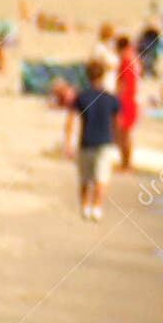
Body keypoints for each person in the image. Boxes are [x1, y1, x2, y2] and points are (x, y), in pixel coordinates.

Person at [66, 58, 122, 221]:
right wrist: (117, 143)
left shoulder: (82, 97)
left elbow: (71, 120)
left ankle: (85, 206)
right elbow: (117, 123)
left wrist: (69, 143)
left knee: (85, 178)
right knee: (101, 178)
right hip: (105, 142)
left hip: (86, 141)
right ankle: (97, 207)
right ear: (103, 76)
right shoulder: (111, 99)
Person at [115, 34, 141, 171]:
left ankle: (126, 164)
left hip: (126, 100)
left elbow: (122, 84)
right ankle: (126, 163)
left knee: (123, 133)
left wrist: (117, 99)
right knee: (125, 133)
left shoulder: (125, 60)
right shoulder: (134, 59)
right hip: (133, 99)